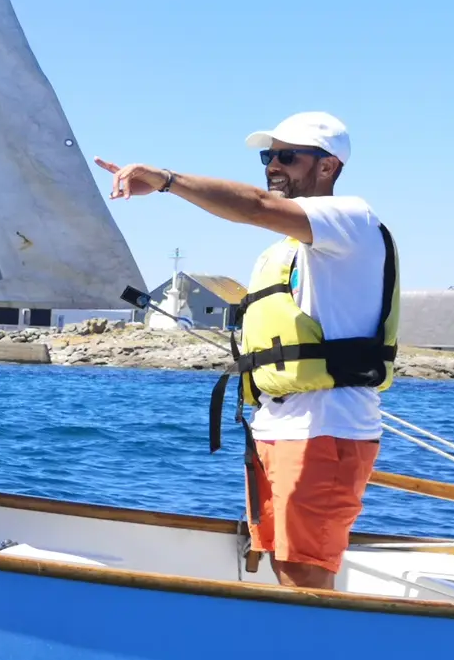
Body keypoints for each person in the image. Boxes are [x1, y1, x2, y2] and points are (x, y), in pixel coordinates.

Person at [95, 112, 398, 591]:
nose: (273, 167)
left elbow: (254, 205)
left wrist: (167, 181)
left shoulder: (352, 220)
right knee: (283, 565)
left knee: (305, 576)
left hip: (326, 429)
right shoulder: (289, 249)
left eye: (287, 156)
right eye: (268, 156)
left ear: (329, 166)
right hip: (277, 427)